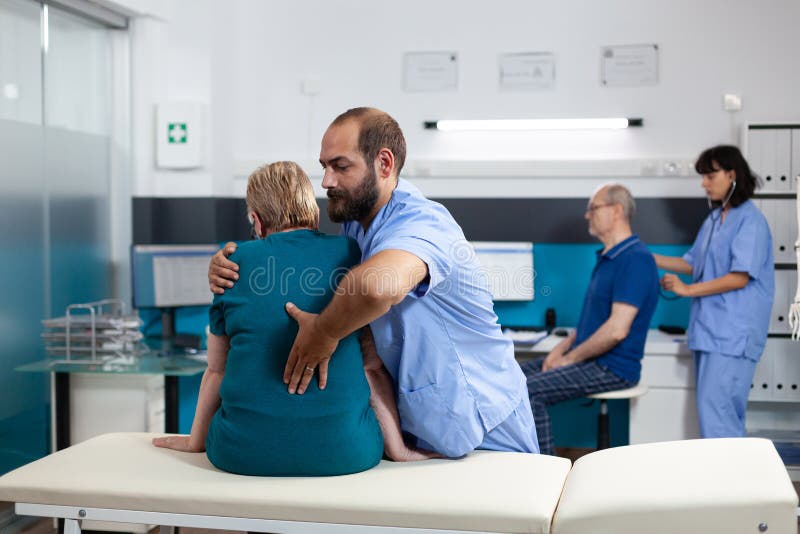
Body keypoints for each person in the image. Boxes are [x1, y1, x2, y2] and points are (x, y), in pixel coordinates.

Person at [209, 107, 539, 458]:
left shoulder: (423, 223)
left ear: (384, 163)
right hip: (424, 426)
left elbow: (375, 287)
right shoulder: (357, 224)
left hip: (483, 427)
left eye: (340, 166)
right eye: (324, 167)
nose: (326, 182)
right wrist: (228, 263)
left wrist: (323, 332)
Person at [152, 161, 386, 476]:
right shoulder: (349, 251)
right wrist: (397, 448)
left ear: (257, 221)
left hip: (240, 455)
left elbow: (216, 370)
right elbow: (371, 366)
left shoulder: (231, 263)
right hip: (352, 454)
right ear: (314, 215)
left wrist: (196, 442)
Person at [519, 183, 658, 455]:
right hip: (592, 359)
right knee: (512, 376)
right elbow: (591, 324)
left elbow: (616, 330)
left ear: (616, 211)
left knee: (528, 391)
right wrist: (560, 349)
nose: (587, 215)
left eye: (593, 208)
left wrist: (569, 360)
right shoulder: (609, 258)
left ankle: (547, 474)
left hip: (612, 367)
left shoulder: (635, 260)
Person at [654, 145, 774, 438]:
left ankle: (731, 482)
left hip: (733, 335)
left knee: (720, 415)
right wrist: (645, 255)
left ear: (732, 175)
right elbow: (690, 262)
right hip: (709, 332)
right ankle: (724, 479)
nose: (703, 183)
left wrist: (687, 290)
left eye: (710, 176)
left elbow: (739, 277)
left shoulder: (751, 221)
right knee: (712, 414)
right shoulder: (713, 221)